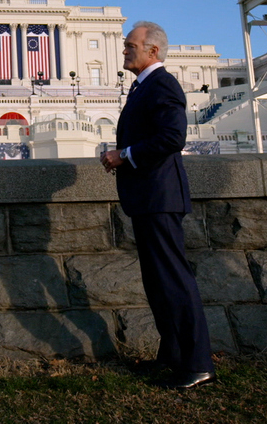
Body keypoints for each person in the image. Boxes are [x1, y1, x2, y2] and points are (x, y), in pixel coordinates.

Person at [101, 21, 215, 390]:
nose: (124, 50)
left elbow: (171, 137)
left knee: (174, 281)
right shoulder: (143, 87)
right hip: (148, 197)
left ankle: (197, 364)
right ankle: (173, 357)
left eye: (130, 45)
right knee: (159, 283)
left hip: (159, 197)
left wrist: (125, 155)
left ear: (152, 51)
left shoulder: (162, 84)